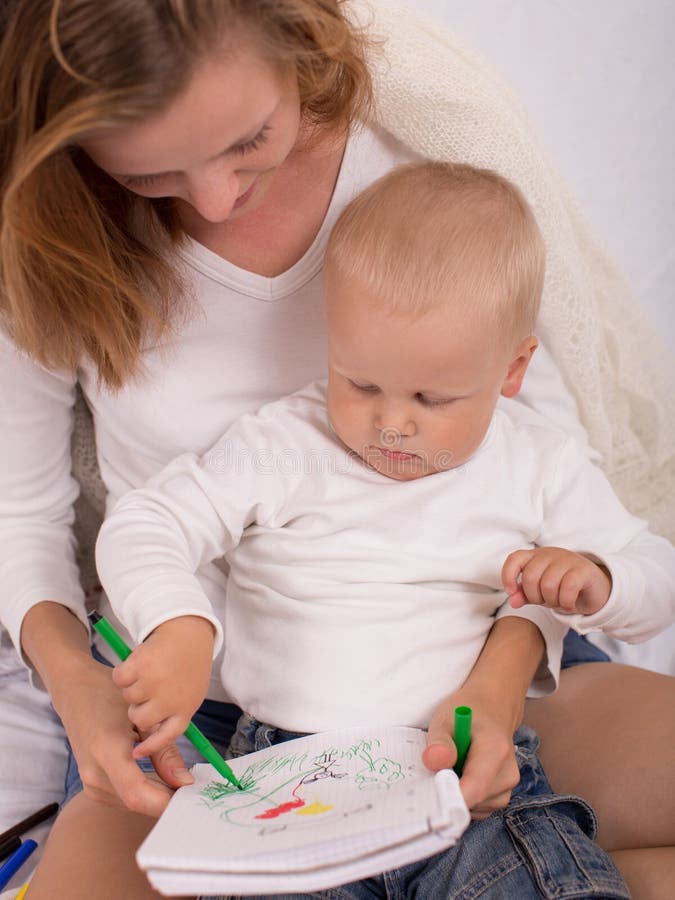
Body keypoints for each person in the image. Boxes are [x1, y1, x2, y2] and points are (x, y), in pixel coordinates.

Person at [0, 0, 672, 897]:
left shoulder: (432, 167)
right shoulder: (278, 439)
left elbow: (566, 521)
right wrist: (102, 669)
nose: (214, 199)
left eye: (249, 140)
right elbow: (49, 517)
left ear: (296, 36)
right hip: (221, 714)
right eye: (150, 173)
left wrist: (512, 663)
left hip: (469, 679)